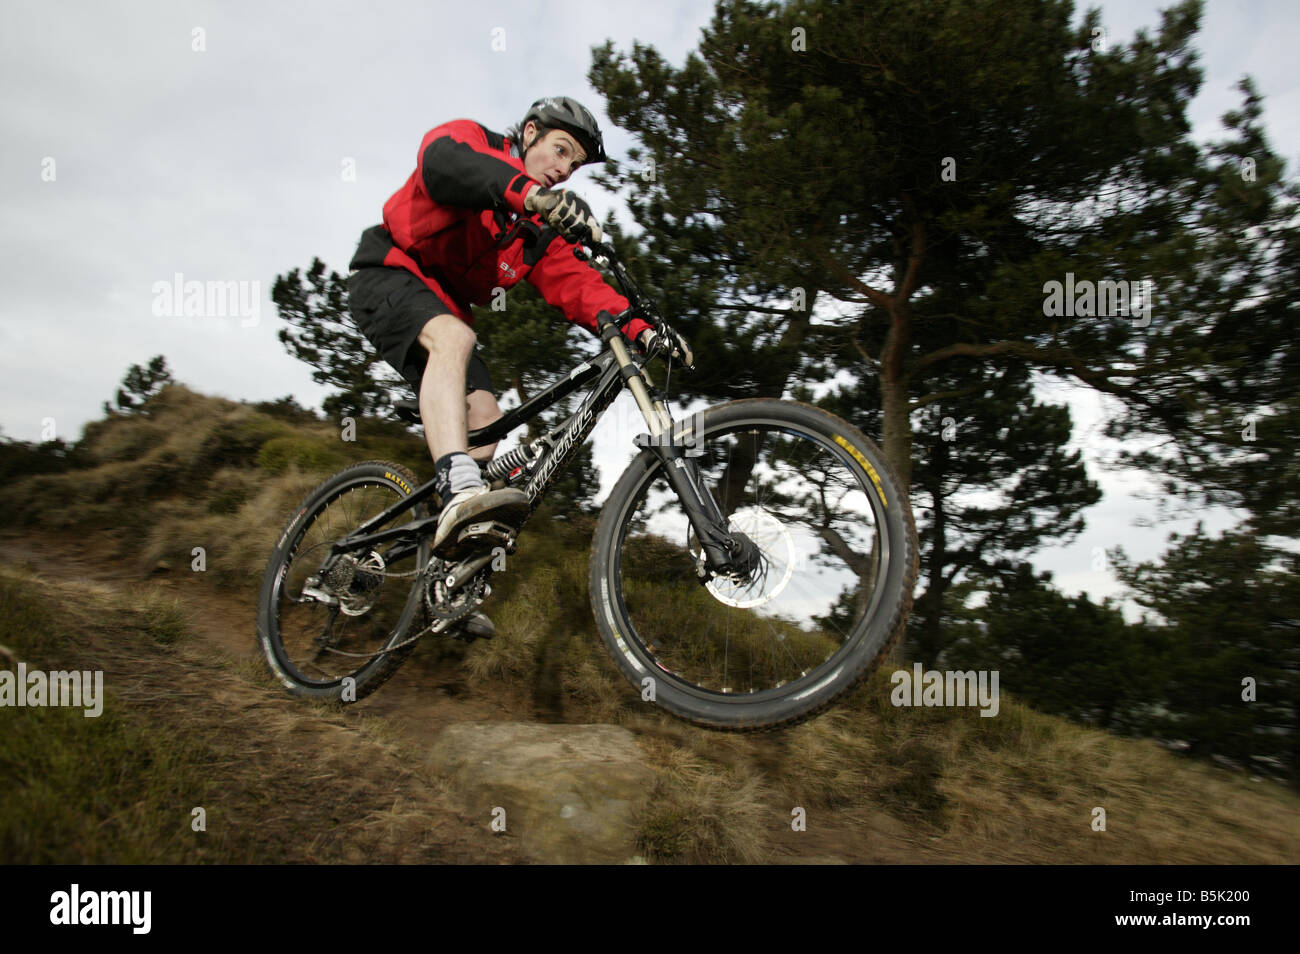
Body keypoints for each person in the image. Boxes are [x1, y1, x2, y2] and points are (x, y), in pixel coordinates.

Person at [346, 96, 690, 636]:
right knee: (455, 339)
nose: (563, 169)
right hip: (388, 272)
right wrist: (530, 193)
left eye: (573, 165)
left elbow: (579, 285)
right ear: (529, 133)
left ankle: (444, 572)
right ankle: (457, 485)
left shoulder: (534, 231)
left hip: (442, 308)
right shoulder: (475, 144)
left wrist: (643, 329)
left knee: (485, 419)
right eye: (559, 150)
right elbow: (441, 163)